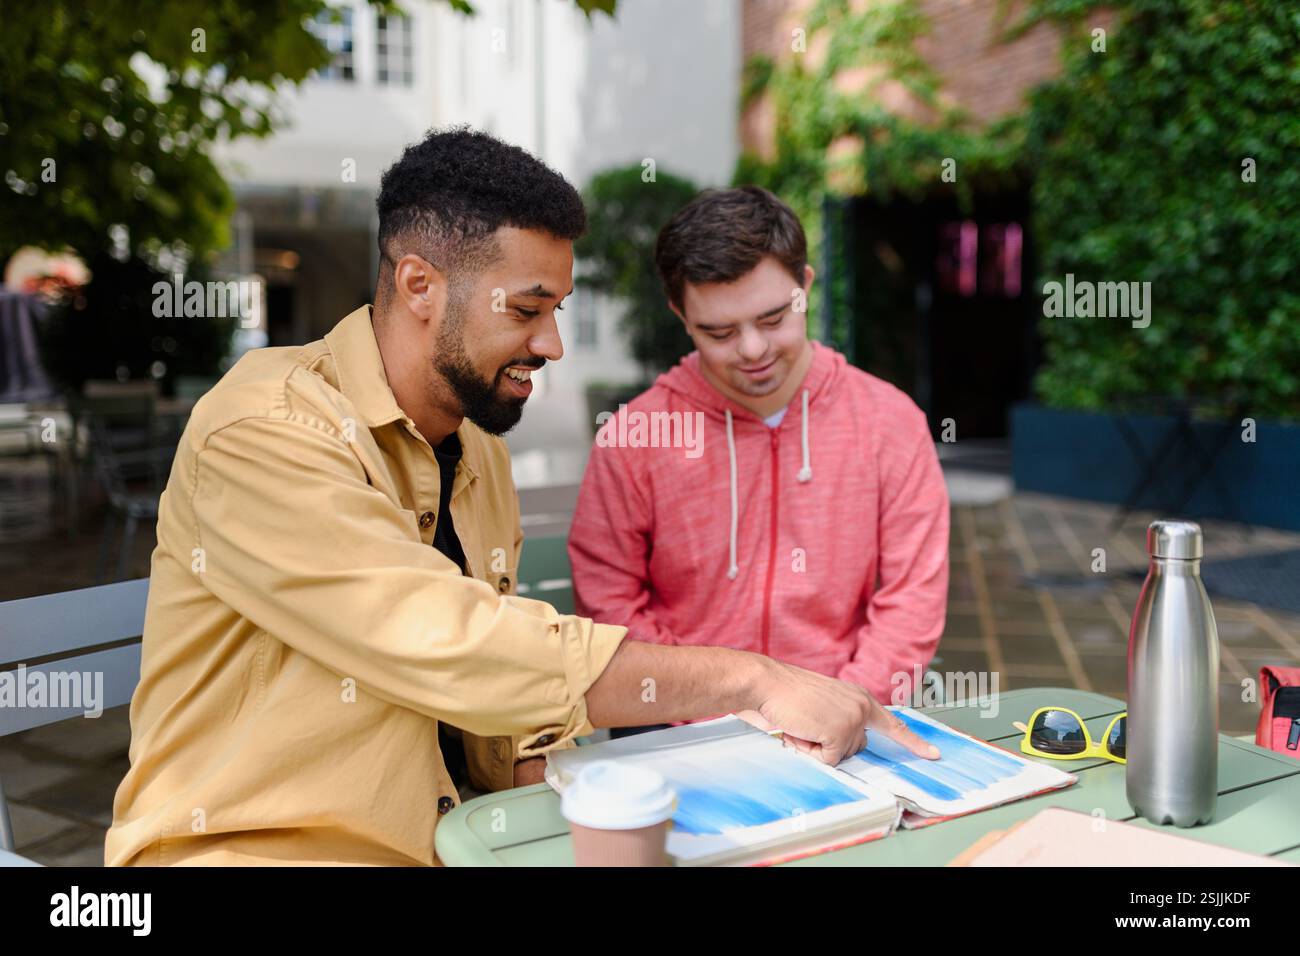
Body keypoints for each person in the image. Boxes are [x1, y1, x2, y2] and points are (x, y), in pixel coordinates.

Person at [104, 131, 938, 867]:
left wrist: (579, 784)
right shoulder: (263, 432)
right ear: (421, 285)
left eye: (559, 309)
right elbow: (451, 641)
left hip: (469, 838)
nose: (554, 343)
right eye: (529, 310)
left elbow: (508, 702)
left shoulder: (477, 454)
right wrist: (753, 685)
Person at [568, 186, 949, 739]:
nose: (752, 350)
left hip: (849, 720)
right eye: (719, 332)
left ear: (806, 287)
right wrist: (716, 712)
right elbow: (611, 601)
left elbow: (912, 599)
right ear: (680, 313)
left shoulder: (890, 422)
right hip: (674, 725)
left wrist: (844, 708)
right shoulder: (636, 436)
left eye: (773, 319)